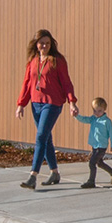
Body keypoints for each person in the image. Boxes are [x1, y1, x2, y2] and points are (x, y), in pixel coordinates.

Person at [15, 30, 75, 189]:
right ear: (36, 43)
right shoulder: (32, 61)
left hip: (52, 104)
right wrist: (21, 104)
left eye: (48, 43)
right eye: (42, 43)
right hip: (36, 104)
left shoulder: (57, 60)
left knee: (41, 136)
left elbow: (66, 82)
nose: (45, 46)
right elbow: (27, 84)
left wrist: (72, 102)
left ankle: (33, 175)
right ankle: (54, 172)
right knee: (46, 138)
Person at [73, 97, 112, 188]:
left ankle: (91, 181)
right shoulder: (93, 119)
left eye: (99, 111)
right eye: (94, 110)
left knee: (92, 163)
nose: (96, 113)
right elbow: (84, 119)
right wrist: (76, 116)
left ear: (104, 110)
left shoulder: (106, 121)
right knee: (100, 163)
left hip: (101, 146)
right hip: (95, 145)